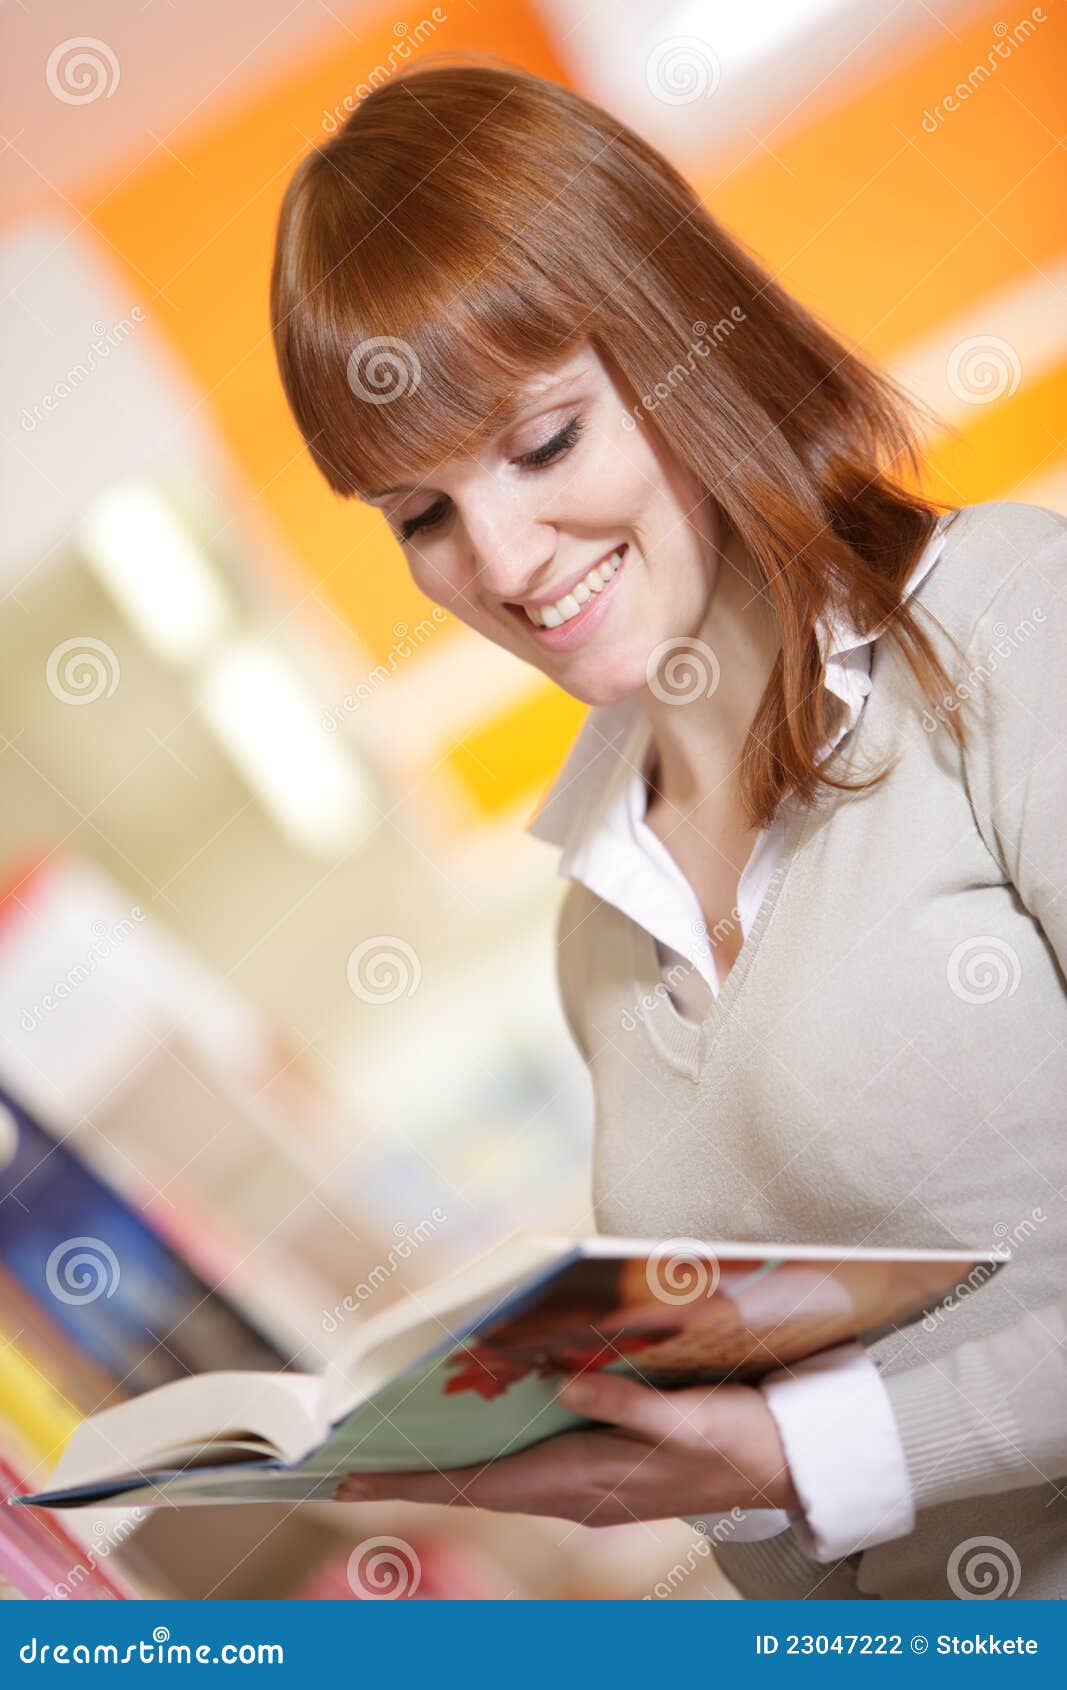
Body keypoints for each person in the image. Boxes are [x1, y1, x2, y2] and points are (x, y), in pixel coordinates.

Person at [269, 57, 1067, 1598]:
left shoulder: (1004, 630)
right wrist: (674, 1455)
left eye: (542, 440)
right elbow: (789, 1526)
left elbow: (824, 1450)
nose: (497, 557)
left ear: (682, 333)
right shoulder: (595, 927)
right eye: (418, 515)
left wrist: (806, 1451)